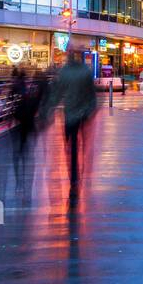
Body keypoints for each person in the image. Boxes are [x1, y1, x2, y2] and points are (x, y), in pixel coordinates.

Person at [52, 57, 97, 201]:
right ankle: (80, 173)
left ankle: (74, 178)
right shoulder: (86, 71)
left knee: (72, 147)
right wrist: (90, 110)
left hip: (70, 115)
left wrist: (46, 110)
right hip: (82, 114)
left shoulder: (64, 71)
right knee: (81, 144)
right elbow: (92, 95)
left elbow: (57, 93)